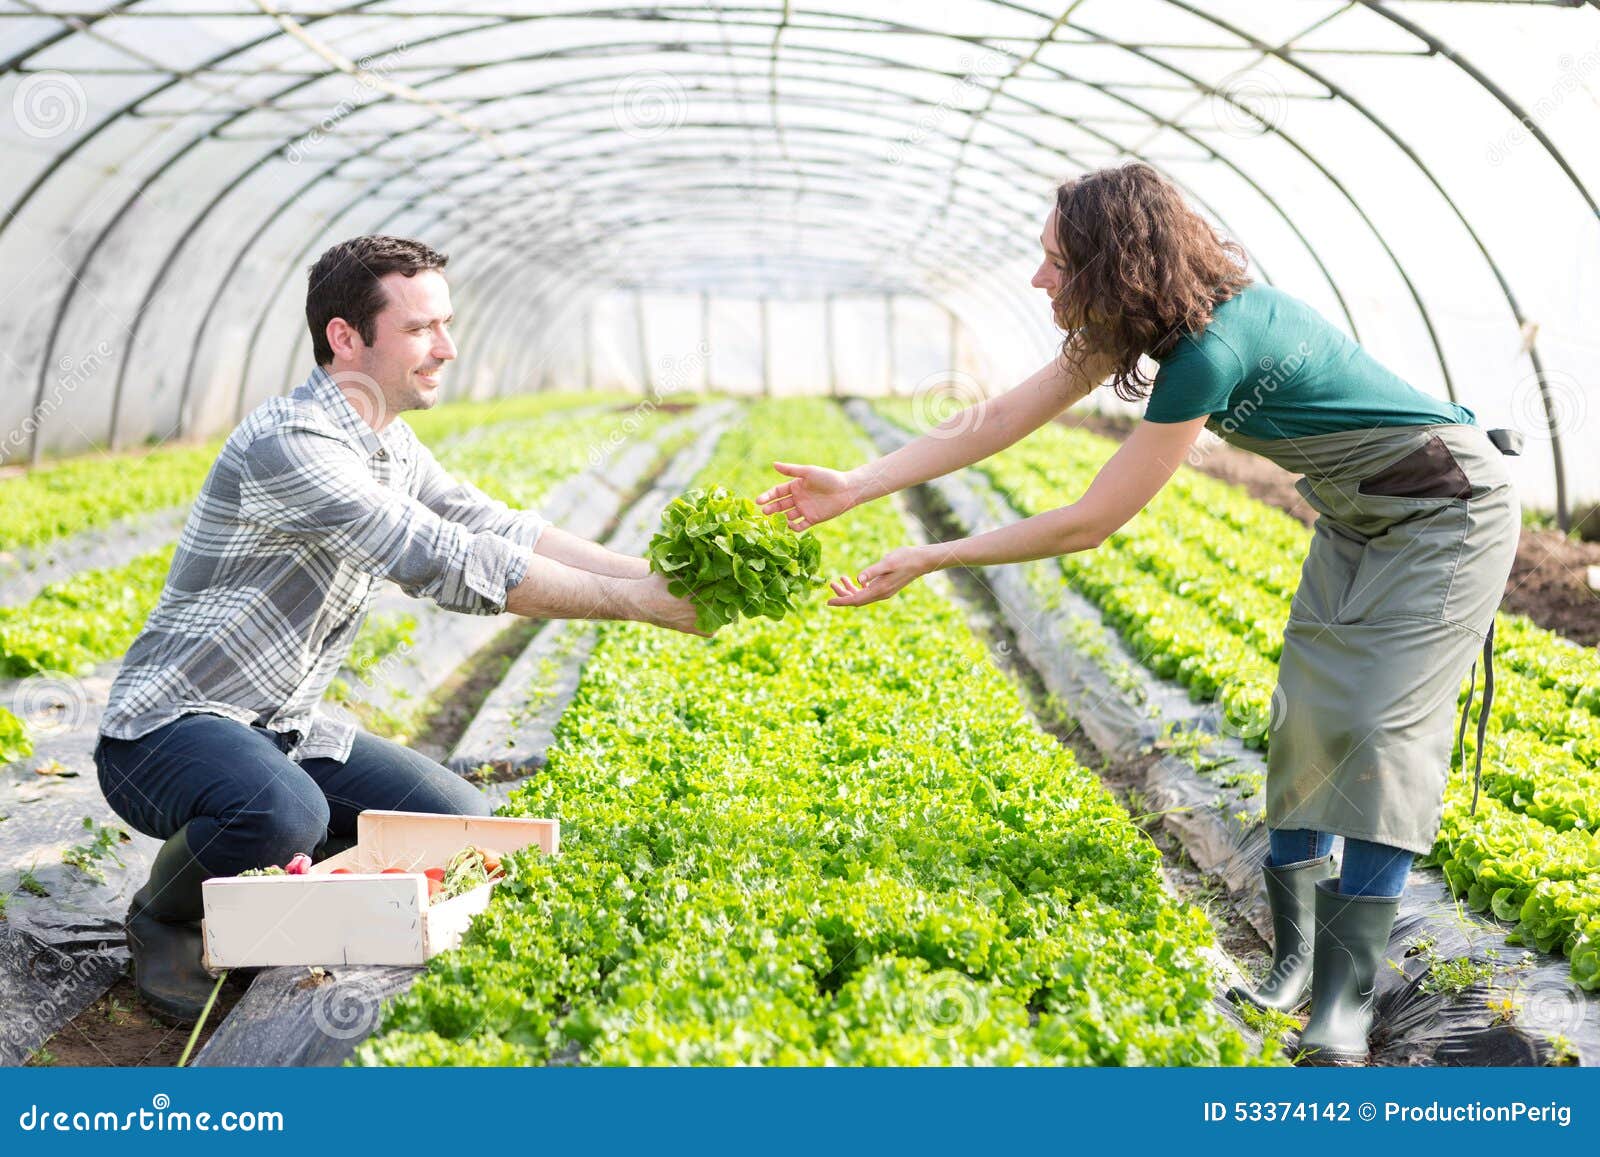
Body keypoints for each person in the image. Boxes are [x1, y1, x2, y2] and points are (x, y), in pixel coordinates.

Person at [757, 163, 1519, 1066]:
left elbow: (1091, 520)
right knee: (1306, 723)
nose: (1040, 279)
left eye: (1054, 262)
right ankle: (1291, 964)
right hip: (1355, 509)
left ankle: (1344, 1010)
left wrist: (933, 554)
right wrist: (860, 484)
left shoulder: (1215, 347)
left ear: (1113, 264)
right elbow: (1000, 416)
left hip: (1448, 508)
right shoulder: (1138, 325)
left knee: (1373, 731)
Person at [96, 235, 706, 1022]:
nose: (446, 348)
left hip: (285, 728)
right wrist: (637, 605)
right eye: (421, 329)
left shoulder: (386, 439)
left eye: (446, 324)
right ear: (347, 337)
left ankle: (280, 879)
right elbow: (438, 554)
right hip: (166, 731)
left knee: (464, 830)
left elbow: (492, 524)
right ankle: (165, 914)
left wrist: (647, 575)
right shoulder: (292, 443)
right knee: (285, 810)